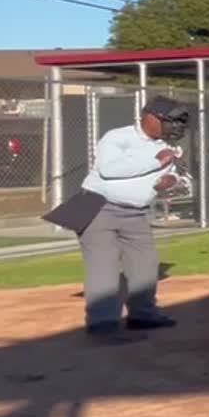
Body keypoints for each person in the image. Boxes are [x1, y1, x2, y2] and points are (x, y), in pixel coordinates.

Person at [67, 97, 190, 338]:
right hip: (96, 205)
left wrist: (173, 181)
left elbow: (184, 178)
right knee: (104, 265)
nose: (175, 127)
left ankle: (143, 315)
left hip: (136, 212)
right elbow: (109, 170)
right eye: (170, 121)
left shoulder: (166, 146)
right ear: (150, 117)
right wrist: (157, 161)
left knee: (145, 265)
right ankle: (103, 323)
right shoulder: (117, 137)